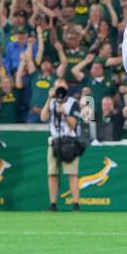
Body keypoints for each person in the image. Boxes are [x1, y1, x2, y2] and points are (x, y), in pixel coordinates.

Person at [41, 83, 82, 211]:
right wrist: (49, 98)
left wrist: (64, 114)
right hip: (54, 141)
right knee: (52, 173)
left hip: (69, 141)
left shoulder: (73, 103)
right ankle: (53, 204)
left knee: (72, 173)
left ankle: (76, 204)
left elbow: (73, 125)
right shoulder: (52, 102)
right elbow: (43, 117)